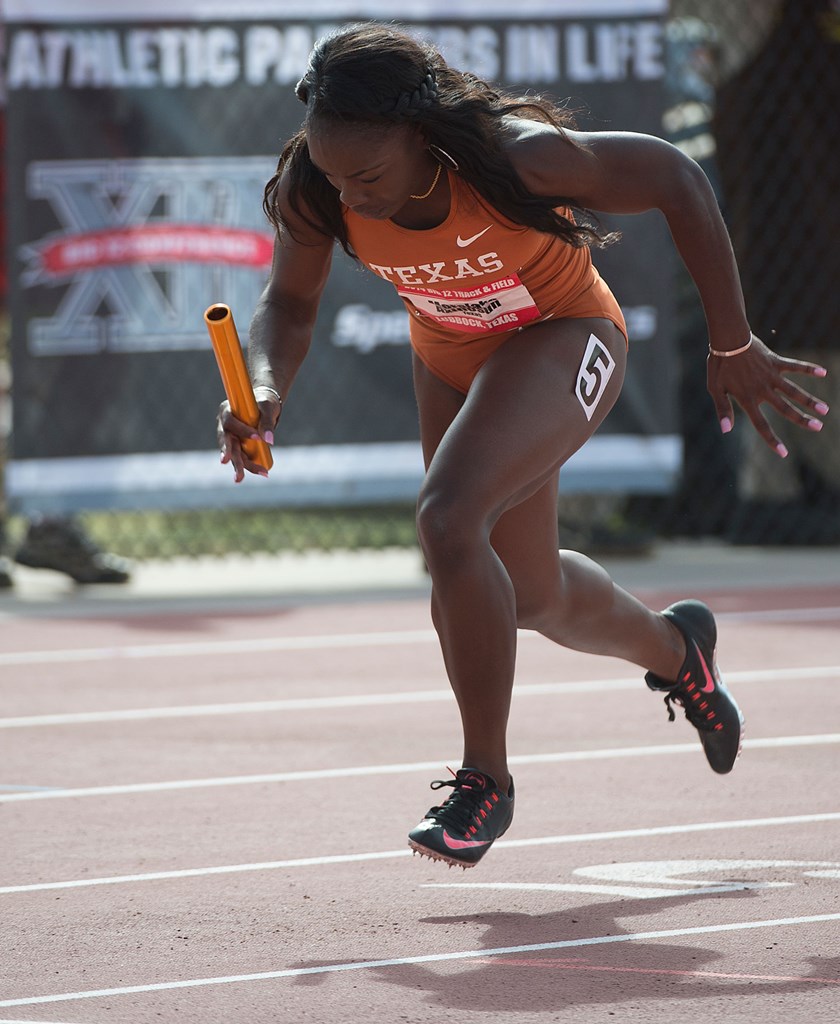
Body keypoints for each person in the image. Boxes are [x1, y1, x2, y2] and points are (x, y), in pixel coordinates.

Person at [216, 24, 828, 869]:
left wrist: (732, 343)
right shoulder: (315, 190)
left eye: (367, 176)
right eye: (332, 174)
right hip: (452, 358)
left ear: (423, 138)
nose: (349, 198)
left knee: (448, 519)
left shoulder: (517, 158)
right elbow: (286, 306)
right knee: (532, 596)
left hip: (565, 335)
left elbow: (676, 177)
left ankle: (484, 783)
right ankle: (680, 651)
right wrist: (264, 388)